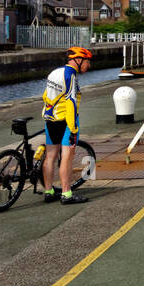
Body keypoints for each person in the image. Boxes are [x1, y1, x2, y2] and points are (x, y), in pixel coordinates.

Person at [41, 46, 92, 204]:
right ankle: (66, 194)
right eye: (87, 62)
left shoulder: (54, 73)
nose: (88, 65)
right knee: (67, 157)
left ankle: (49, 191)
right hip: (65, 121)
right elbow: (71, 103)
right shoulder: (70, 75)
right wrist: (74, 130)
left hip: (50, 118)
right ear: (78, 60)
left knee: (50, 156)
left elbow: (46, 95)